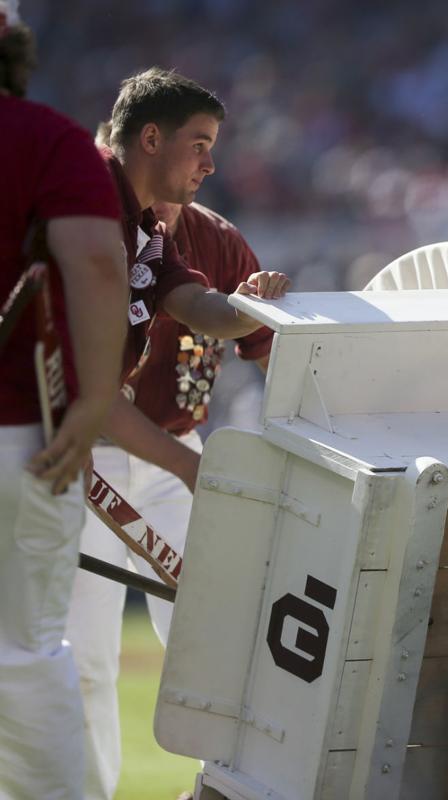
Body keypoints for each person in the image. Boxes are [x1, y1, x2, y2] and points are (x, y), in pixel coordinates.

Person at [63, 67, 289, 800]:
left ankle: (225, 788)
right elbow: (87, 394)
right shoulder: (80, 208)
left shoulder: (194, 239)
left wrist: (258, 311)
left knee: (222, 634)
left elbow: (237, 332)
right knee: (77, 656)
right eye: (200, 146)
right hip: (73, 450)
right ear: (146, 141)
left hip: (170, 452)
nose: (211, 164)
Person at [0, 2, 129, 797]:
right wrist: (94, 404)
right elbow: (96, 264)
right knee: (22, 651)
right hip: (24, 435)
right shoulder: (49, 139)